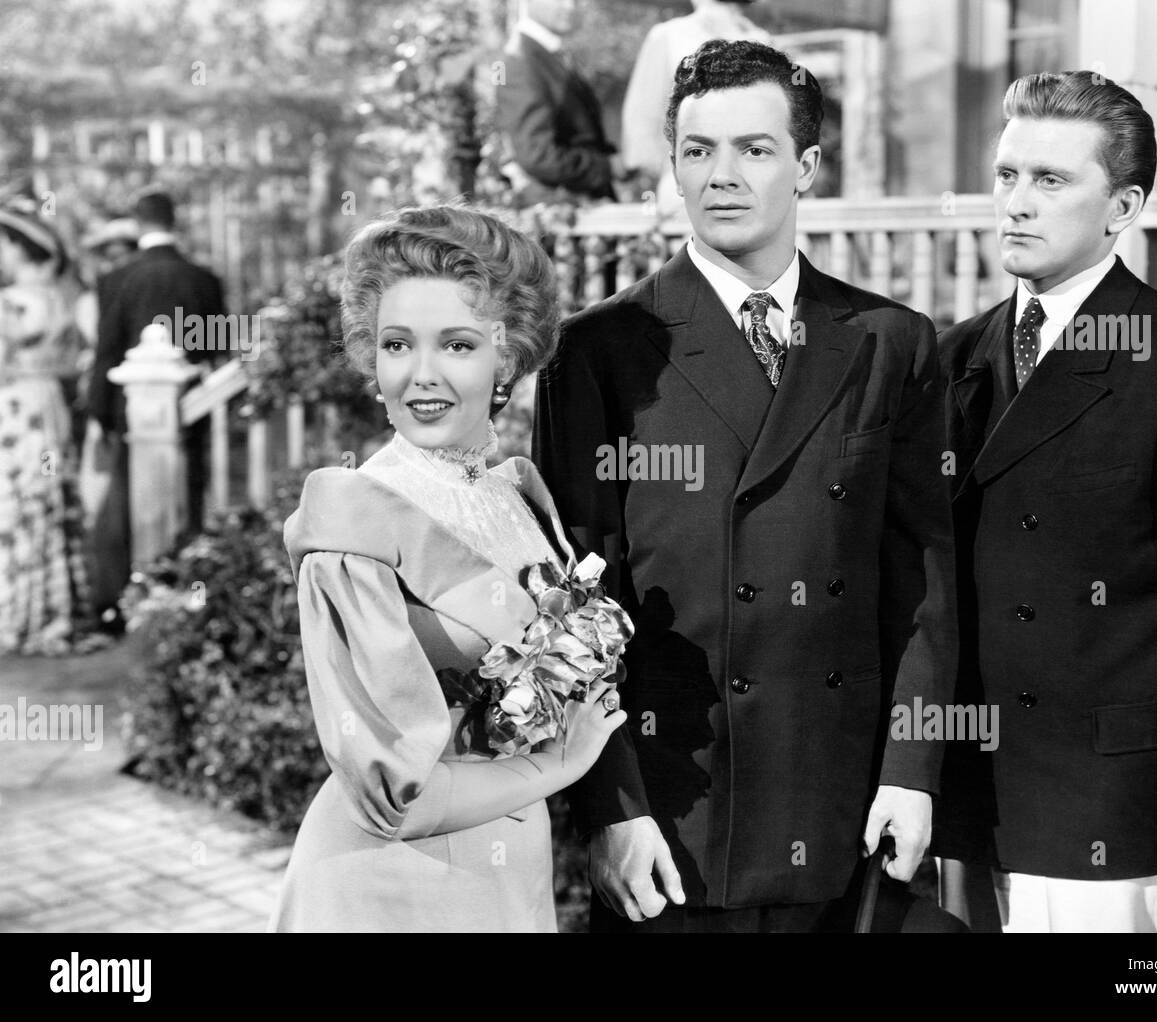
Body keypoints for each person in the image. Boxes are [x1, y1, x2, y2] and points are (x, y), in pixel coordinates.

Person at [534, 40, 958, 932]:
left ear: (805, 167)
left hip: (841, 808)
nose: (721, 176)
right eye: (698, 152)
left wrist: (912, 772)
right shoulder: (604, 349)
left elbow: (923, 586)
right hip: (677, 814)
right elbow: (574, 608)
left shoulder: (890, 342)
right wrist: (610, 811)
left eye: (754, 150)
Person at [933, 71, 1157, 933]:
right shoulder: (949, 360)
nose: (1016, 203)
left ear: (1123, 207)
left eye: (1052, 180)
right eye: (1008, 175)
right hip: (965, 793)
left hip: (1106, 799)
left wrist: (1154, 731)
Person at [270, 205, 628, 932]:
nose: (422, 375)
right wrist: (562, 764)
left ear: (509, 357)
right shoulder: (352, 520)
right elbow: (395, 797)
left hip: (505, 870)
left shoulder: (513, 493)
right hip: (388, 886)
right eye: (398, 344)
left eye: (458, 345)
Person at [87, 187, 225, 555]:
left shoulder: (116, 279)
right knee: (191, 487)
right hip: (194, 402)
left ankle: (136, 584)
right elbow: (220, 345)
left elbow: (107, 350)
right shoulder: (204, 279)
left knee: (131, 496)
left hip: (130, 409)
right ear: (173, 221)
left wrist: (99, 413)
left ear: (138, 223)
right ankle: (188, 567)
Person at [0, 202, 100, 655]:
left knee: (19, 500)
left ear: (21, 249)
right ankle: (54, 608)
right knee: (48, 497)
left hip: (20, 405)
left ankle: (23, 610)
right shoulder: (66, 299)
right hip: (51, 404)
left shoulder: (12, 302)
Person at [622, 0, 770, 215]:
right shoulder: (670, 35)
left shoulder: (763, 40)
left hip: (754, 187)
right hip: (687, 189)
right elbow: (642, 119)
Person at [497, 0, 632, 203]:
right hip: (558, 211)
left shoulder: (550, 53)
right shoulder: (520, 60)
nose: (569, 6)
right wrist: (607, 167)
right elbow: (537, 155)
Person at [74, 216, 138, 626]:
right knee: (100, 501)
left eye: (120, 253)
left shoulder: (122, 287)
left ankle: (120, 596)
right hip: (104, 409)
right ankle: (107, 595)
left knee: (118, 504)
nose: (113, 263)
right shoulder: (92, 297)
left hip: (123, 406)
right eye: (107, 255)